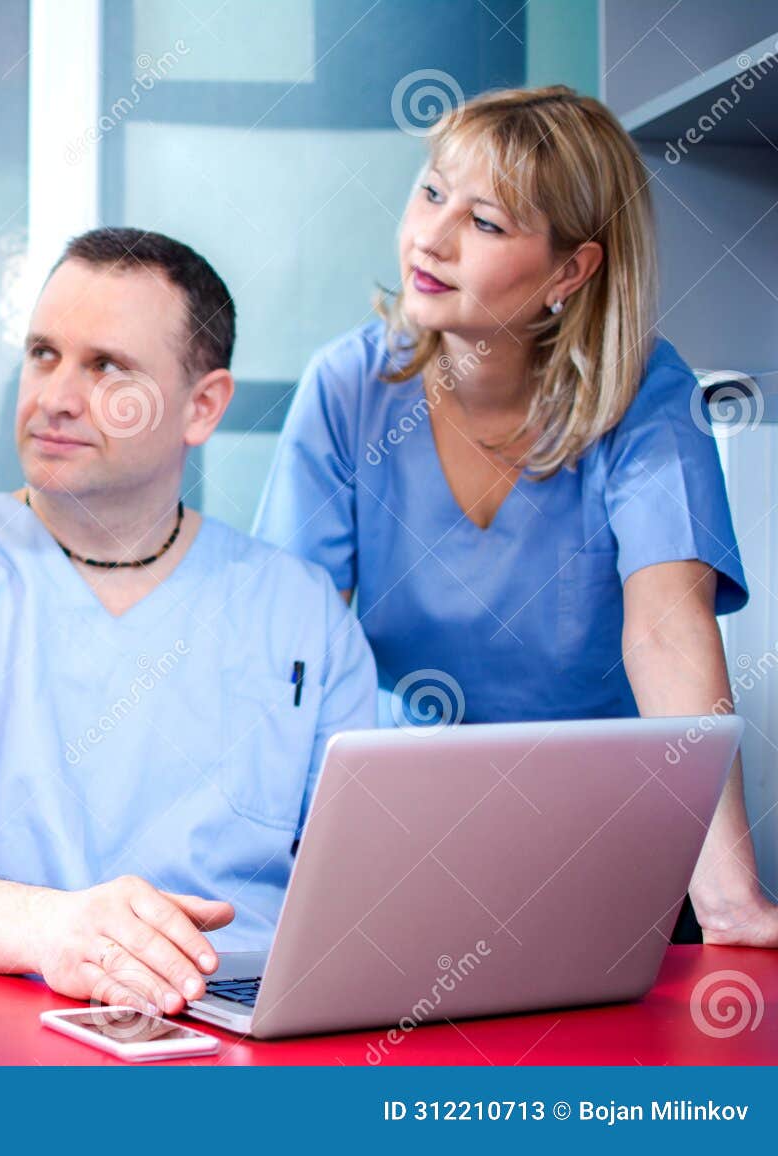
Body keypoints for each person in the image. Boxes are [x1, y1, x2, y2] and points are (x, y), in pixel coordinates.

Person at [254, 85, 778, 947]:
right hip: (398, 840)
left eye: (486, 223)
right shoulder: (349, 389)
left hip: (597, 847)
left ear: (571, 271)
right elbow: (291, 647)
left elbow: (668, 631)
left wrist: (727, 900)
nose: (431, 235)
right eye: (431, 192)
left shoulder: (647, 396)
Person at [0, 228, 376, 1017]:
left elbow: (370, 898)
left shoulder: (304, 617)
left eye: (107, 366)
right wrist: (51, 929)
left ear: (203, 407)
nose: (55, 397)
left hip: (244, 1050)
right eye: (43, 354)